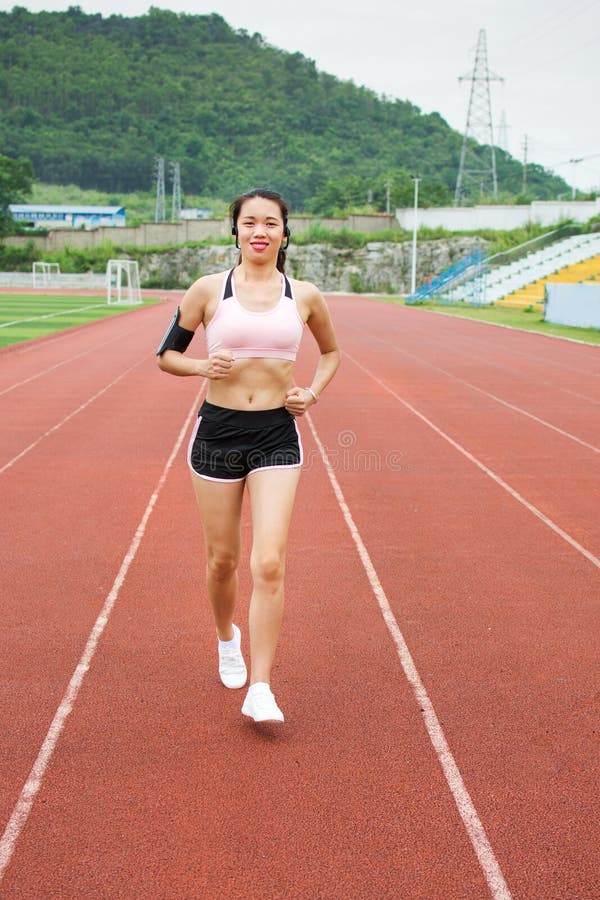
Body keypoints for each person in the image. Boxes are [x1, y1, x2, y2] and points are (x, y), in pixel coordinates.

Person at [157, 188, 341, 723]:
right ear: (234, 230)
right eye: (249, 222)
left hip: (276, 436)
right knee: (223, 561)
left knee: (269, 561)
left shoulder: (304, 295)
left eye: (271, 223)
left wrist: (313, 392)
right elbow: (166, 354)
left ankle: (261, 685)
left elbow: (331, 352)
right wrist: (200, 368)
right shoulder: (208, 291)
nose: (260, 231)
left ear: (286, 233)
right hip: (217, 432)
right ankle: (226, 637)